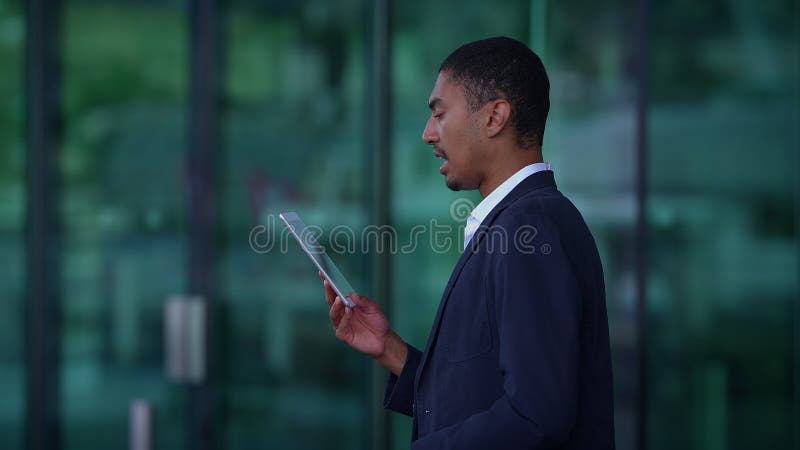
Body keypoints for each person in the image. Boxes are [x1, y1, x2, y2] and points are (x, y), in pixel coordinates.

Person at [320, 36, 615, 449]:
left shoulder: (530, 229)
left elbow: (536, 416)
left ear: (495, 117)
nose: (427, 134)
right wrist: (391, 350)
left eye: (439, 115)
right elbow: (488, 392)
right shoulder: (518, 222)